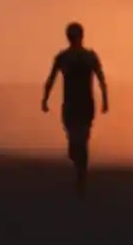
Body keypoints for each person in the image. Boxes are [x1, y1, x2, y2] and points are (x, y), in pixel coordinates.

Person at [42, 22, 108, 196]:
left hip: (82, 104)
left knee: (81, 139)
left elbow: (101, 78)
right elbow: (51, 78)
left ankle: (82, 176)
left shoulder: (87, 57)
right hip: (75, 104)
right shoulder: (64, 57)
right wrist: (45, 98)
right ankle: (80, 169)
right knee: (76, 142)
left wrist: (105, 100)